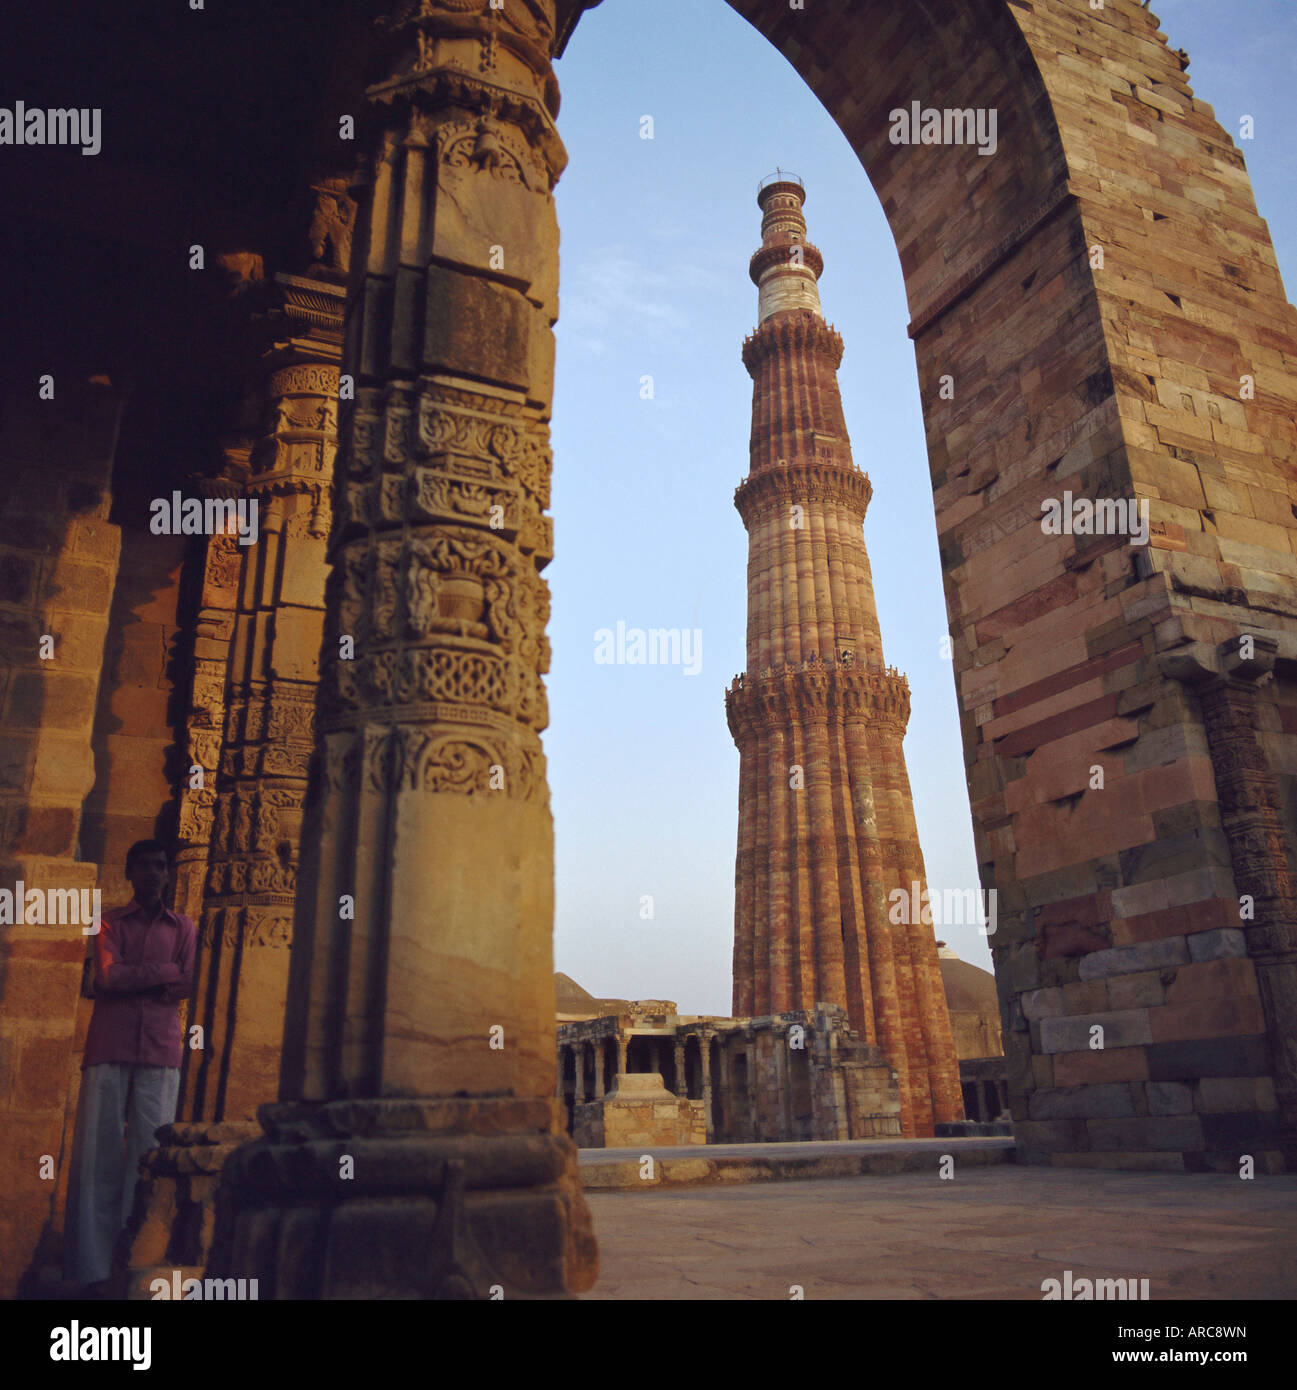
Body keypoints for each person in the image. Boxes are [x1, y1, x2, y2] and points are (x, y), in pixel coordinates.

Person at [62, 839, 196, 1293]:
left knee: (150, 1156)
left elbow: (190, 981)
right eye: (144, 866)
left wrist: (142, 979)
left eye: (160, 866)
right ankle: (92, 1269)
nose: (153, 874)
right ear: (130, 872)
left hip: (160, 1048)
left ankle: (137, 1258)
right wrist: (162, 973)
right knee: (97, 1157)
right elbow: (106, 977)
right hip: (110, 1044)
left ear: (167, 873)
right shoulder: (106, 922)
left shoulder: (184, 928)